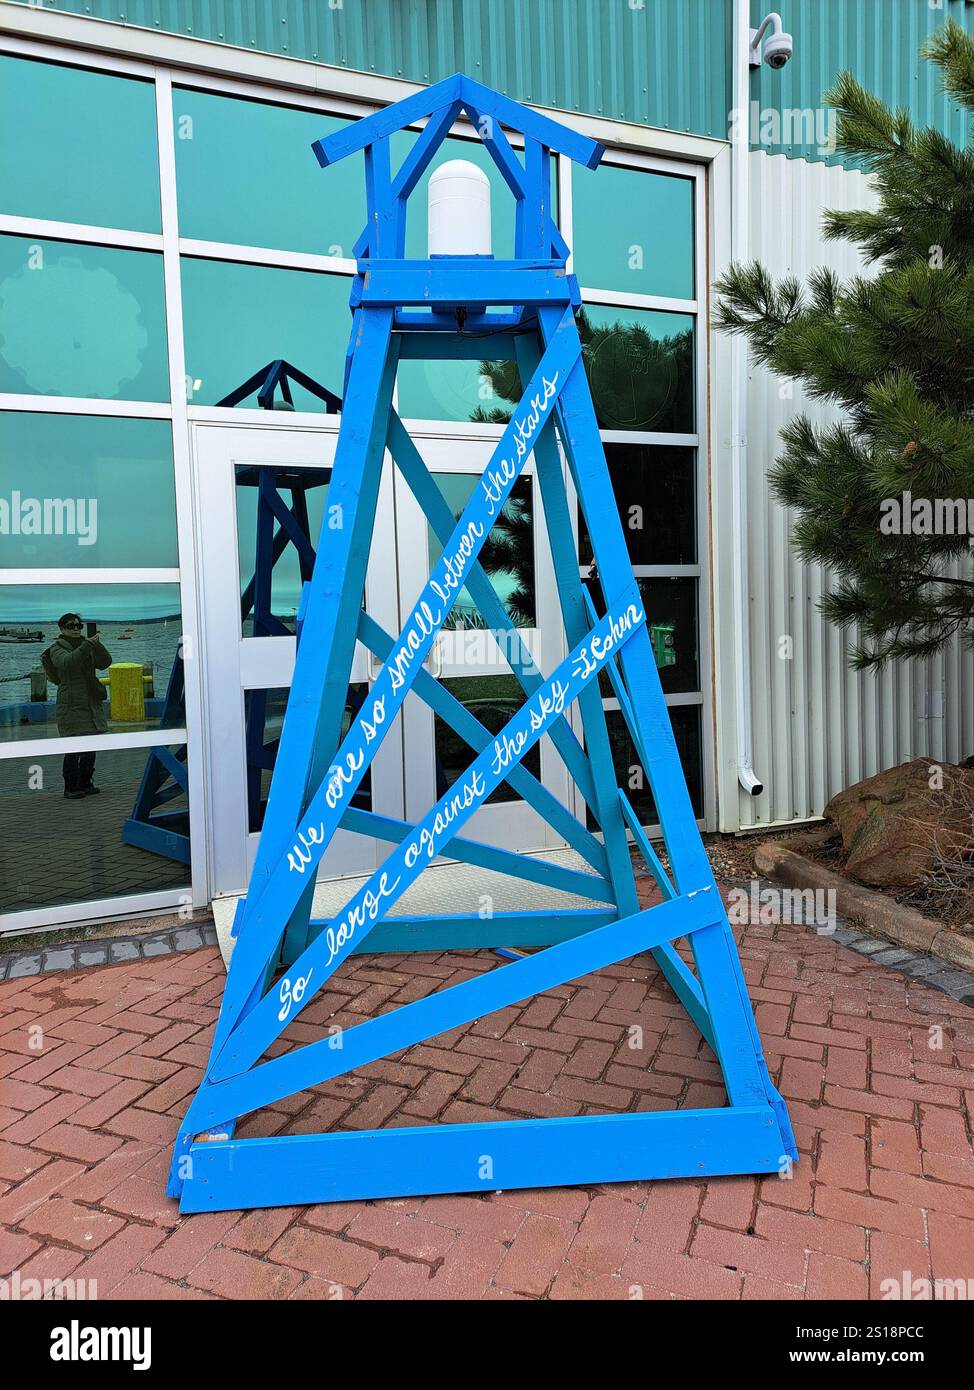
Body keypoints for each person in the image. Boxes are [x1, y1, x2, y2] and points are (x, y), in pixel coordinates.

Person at [42, 614, 112, 799]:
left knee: (90, 745)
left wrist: (96, 644)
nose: (76, 629)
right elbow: (68, 663)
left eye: (79, 626)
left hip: (89, 701)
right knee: (73, 746)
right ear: (62, 628)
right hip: (70, 703)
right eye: (71, 625)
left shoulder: (86, 645)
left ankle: (86, 783)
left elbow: (105, 663)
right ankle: (70, 787)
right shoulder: (56, 649)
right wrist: (87, 645)